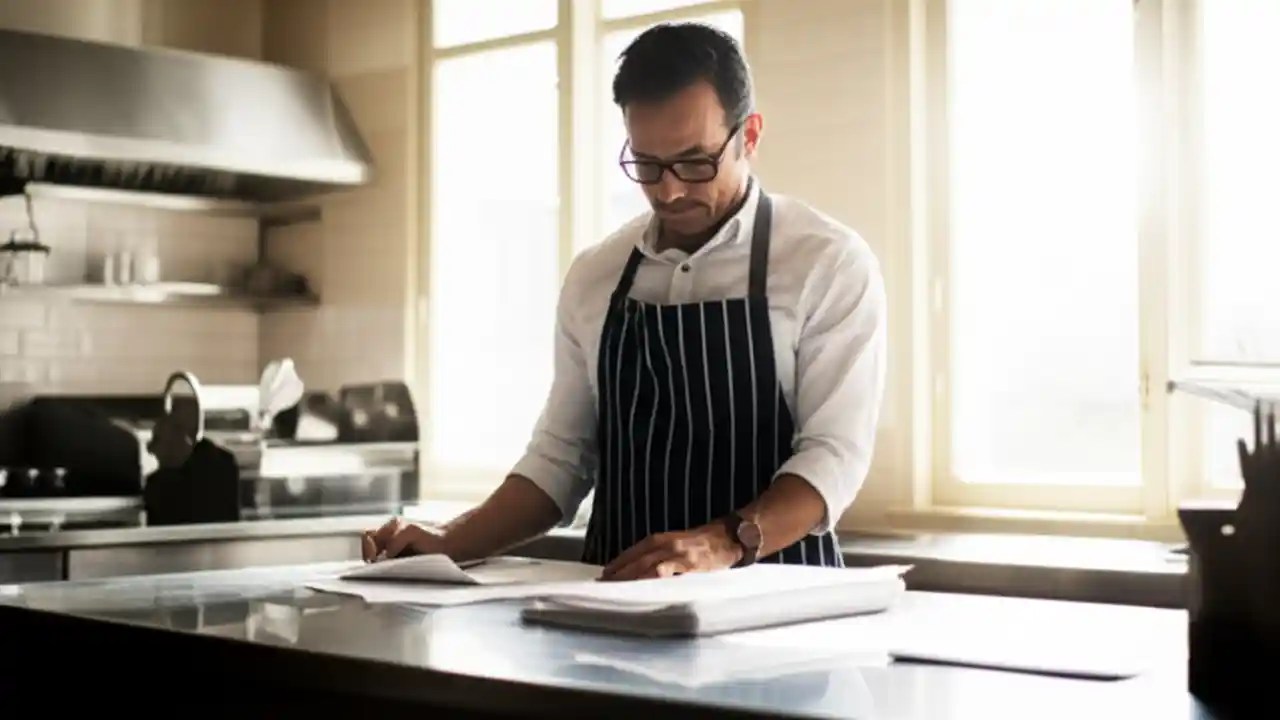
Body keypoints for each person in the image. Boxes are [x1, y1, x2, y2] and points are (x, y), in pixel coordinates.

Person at [364, 22, 887, 581]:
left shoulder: (826, 262)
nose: (669, 191)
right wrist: (449, 540)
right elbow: (561, 458)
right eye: (647, 164)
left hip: (780, 608)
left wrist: (721, 543)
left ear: (750, 135)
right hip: (618, 608)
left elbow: (833, 456)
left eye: (694, 162)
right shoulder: (597, 276)